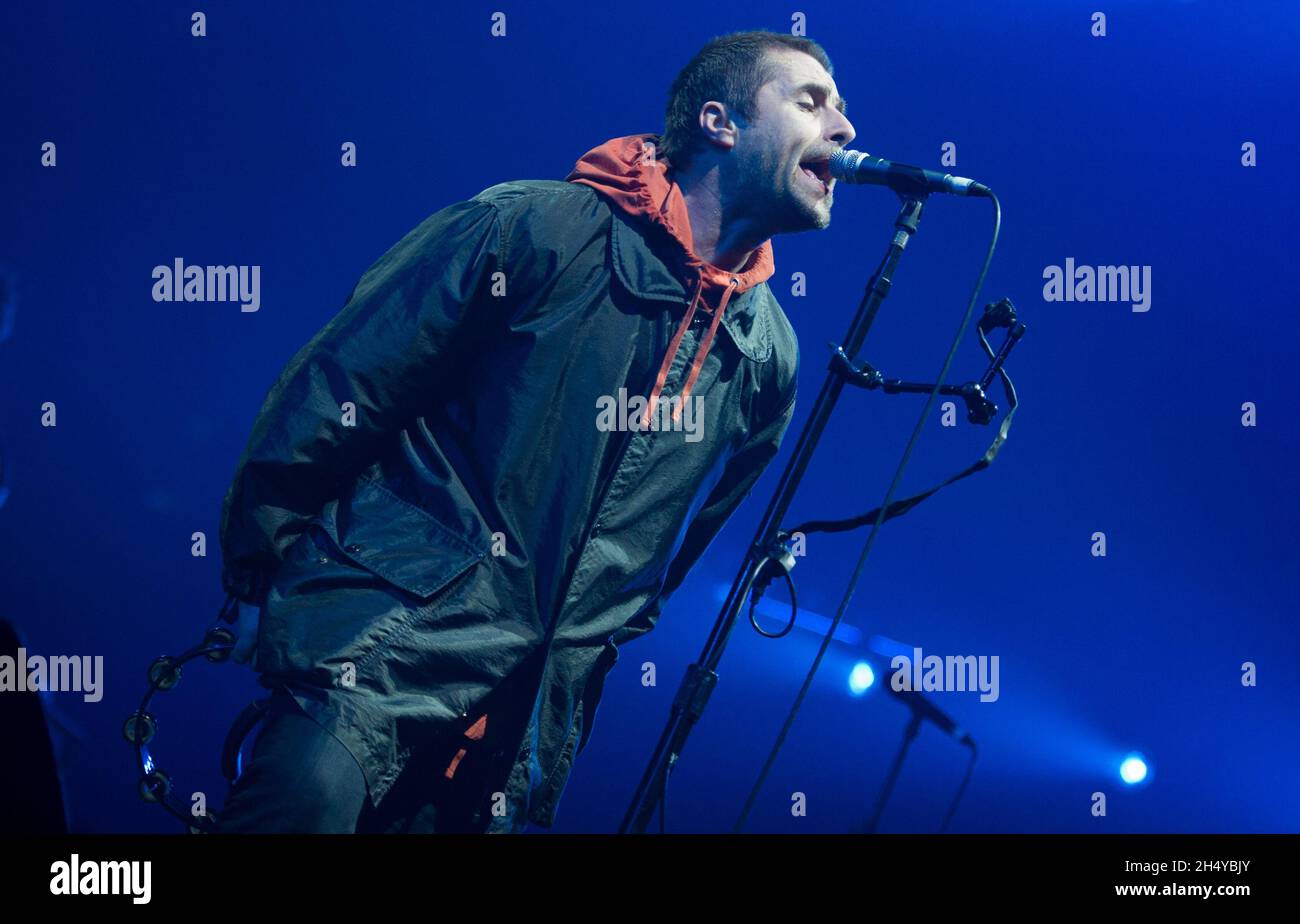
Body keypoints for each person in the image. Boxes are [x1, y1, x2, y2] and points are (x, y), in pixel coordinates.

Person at [215, 28, 855, 834]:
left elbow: (671, 560)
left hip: (522, 731)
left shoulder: (769, 356)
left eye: (840, 108)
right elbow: (346, 382)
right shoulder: (536, 226)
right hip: (376, 654)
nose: (844, 128)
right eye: (811, 102)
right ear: (720, 124)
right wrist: (258, 567)